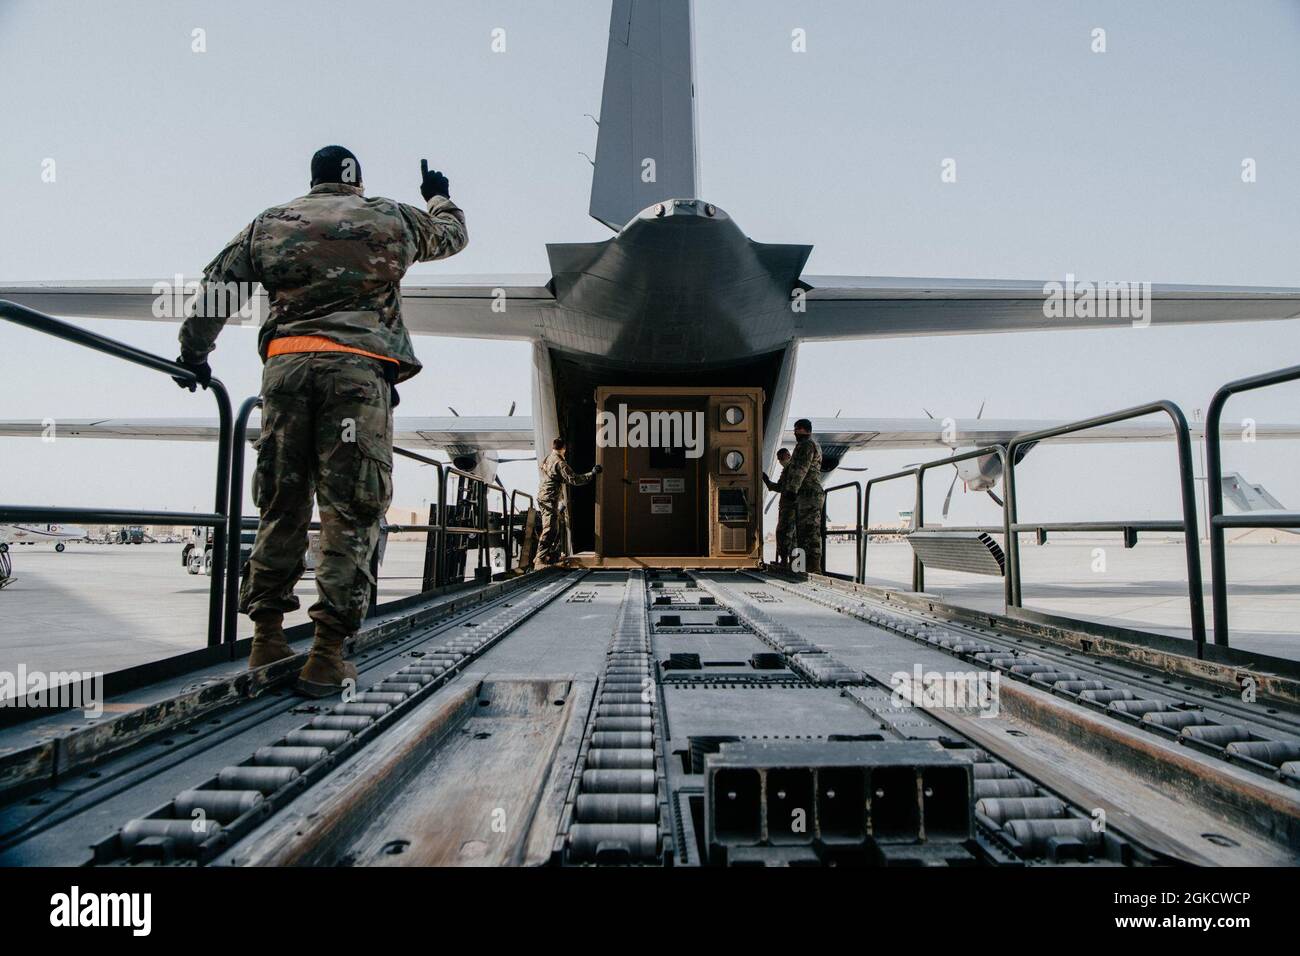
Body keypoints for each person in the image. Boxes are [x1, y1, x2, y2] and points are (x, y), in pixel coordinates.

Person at [174, 145, 468, 697]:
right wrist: (439, 196)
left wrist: (193, 355)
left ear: (313, 180)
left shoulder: (271, 223)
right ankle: (327, 654)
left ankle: (265, 639)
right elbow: (451, 236)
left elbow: (218, 292)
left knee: (282, 503)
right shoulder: (391, 217)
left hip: (286, 373)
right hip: (356, 378)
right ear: (355, 182)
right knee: (351, 510)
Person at [534, 438, 600, 567]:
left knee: (554, 527)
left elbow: (552, 475)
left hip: (545, 496)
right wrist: (591, 474)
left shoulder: (548, 458)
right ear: (564, 448)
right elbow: (574, 479)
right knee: (550, 529)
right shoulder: (560, 462)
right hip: (549, 498)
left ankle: (547, 556)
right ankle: (540, 559)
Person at [777, 418, 825, 574]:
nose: (795, 433)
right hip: (808, 494)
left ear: (802, 429)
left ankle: (813, 568)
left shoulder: (805, 445)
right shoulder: (813, 444)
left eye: (797, 429)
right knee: (805, 532)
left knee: (809, 532)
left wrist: (792, 489)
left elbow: (801, 469)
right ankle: (808, 566)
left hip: (808, 494)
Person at [762, 447, 795, 567]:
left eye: (782, 458)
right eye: (779, 459)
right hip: (786, 507)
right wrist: (768, 482)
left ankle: (790, 561)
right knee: (783, 533)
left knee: (787, 533)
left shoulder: (795, 469)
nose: (781, 461)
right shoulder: (786, 471)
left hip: (792, 507)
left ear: (788, 455)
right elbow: (780, 487)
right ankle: (785, 561)